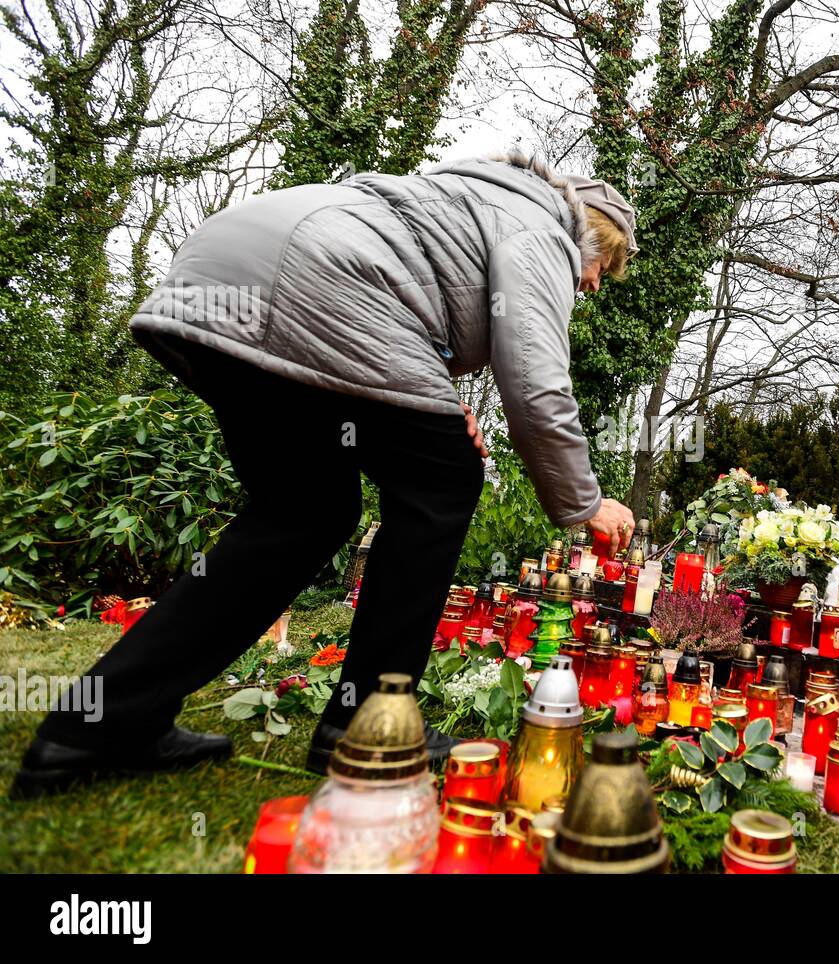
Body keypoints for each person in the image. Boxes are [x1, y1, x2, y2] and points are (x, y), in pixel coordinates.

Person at [13, 150, 638, 797]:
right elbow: (536, 382)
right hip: (322, 284)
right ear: (588, 233)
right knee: (445, 481)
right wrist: (583, 503)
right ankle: (369, 721)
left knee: (303, 512)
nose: (591, 285)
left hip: (225, 275)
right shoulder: (545, 226)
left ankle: (99, 722)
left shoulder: (472, 197)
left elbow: (412, 295)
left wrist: (442, 403)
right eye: (600, 269)